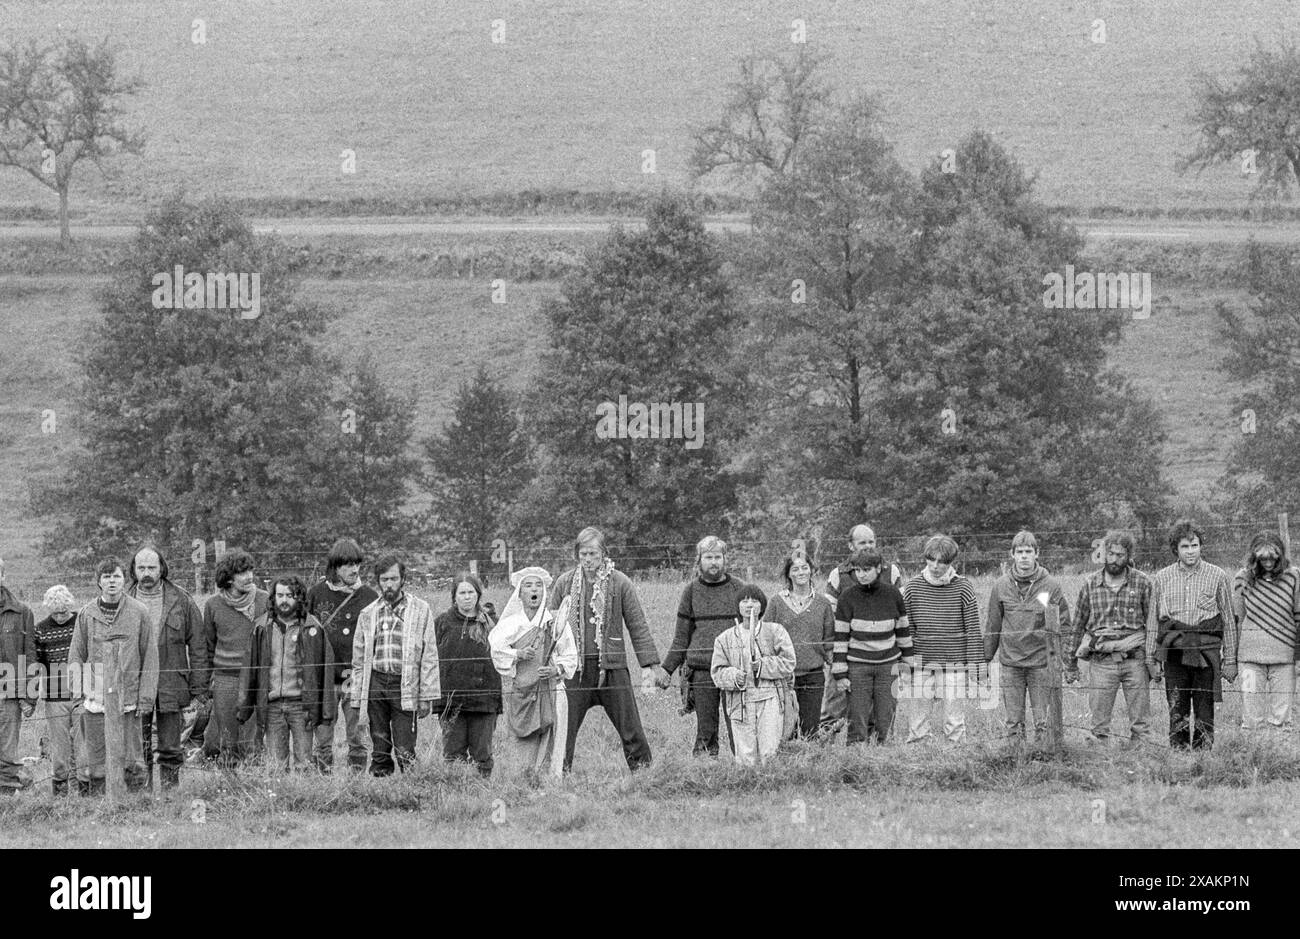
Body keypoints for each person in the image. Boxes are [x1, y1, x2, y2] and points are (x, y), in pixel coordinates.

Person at [550, 527, 661, 773]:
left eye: (593, 553)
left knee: (630, 726)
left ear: (603, 553)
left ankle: (645, 775)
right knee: (563, 729)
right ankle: (558, 778)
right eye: (583, 554)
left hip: (611, 668)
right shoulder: (564, 583)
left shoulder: (620, 582)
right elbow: (549, 625)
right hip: (574, 671)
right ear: (576, 555)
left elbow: (637, 625)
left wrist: (651, 665)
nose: (588, 559)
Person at [69, 557, 159, 794]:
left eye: (116, 576)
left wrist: (146, 697)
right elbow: (76, 656)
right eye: (106, 577)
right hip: (96, 699)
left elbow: (149, 656)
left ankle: (136, 804)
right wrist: (79, 696)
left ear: (124, 579)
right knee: (96, 759)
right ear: (98, 582)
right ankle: (100, 804)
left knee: (132, 758)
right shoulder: (86, 614)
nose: (111, 581)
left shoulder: (139, 612)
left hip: (128, 698)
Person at [654, 536, 745, 756]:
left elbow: (752, 630)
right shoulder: (691, 591)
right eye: (708, 557)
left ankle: (743, 769)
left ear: (725, 559)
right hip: (702, 670)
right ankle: (704, 771)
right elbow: (681, 638)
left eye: (717, 557)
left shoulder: (739, 588)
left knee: (739, 725)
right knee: (706, 729)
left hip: (735, 671)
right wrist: (666, 669)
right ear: (699, 561)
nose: (713, 562)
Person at [1066, 530, 1158, 745]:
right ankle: (1100, 762)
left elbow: (1153, 624)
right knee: (1099, 724)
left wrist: (1153, 659)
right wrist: (1070, 663)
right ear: (1103, 554)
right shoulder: (1090, 584)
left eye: (1120, 555)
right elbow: (1077, 625)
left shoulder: (1142, 583)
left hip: (1135, 659)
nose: (1115, 559)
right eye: (1111, 554)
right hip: (1101, 661)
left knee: (1141, 723)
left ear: (1128, 556)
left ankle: (1142, 761)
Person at [1152, 519, 1238, 750]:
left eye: (1194, 546)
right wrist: (1153, 659)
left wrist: (1230, 660)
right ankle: (1178, 753)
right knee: (1176, 706)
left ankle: (1202, 755)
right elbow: (1155, 621)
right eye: (1185, 547)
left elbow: (1229, 620)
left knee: (1204, 709)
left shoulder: (1217, 576)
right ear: (1175, 549)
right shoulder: (1162, 578)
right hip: (1175, 651)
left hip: (1205, 652)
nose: (1190, 552)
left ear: (1201, 546)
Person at [128, 545, 207, 790]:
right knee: (138, 746)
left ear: (162, 568)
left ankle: (171, 795)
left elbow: (198, 645)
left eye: (152, 567)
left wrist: (199, 687)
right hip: (135, 684)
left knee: (171, 746)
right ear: (133, 570)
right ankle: (141, 794)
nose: (147, 573)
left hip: (172, 683)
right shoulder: (123, 600)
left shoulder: (181, 599)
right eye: (141, 568)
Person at [351, 555, 438, 776]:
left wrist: (427, 695)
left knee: (405, 745)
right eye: (384, 579)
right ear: (378, 582)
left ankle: (410, 787)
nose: (389, 584)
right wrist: (357, 695)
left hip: (405, 682)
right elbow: (359, 659)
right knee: (379, 743)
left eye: (393, 578)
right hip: (376, 682)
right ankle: (381, 787)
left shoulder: (420, 610)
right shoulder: (369, 613)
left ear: (402, 579)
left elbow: (429, 655)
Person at [238, 576, 335, 773]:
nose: (284, 600)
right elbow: (250, 669)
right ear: (273, 597)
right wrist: (244, 706)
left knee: (304, 763)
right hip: (272, 706)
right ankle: (279, 801)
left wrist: (325, 711)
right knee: (276, 766)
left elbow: (325, 672)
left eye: (289, 595)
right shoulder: (261, 627)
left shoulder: (312, 628)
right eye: (280, 595)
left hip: (302, 706)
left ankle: (303, 801)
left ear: (299, 597)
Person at [984, 531, 1071, 745]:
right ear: (1012, 554)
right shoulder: (1001, 586)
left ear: (1037, 554)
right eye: (1020, 552)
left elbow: (1065, 625)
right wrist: (984, 660)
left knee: (1043, 721)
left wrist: (1067, 660)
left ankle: (1044, 759)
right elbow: (993, 626)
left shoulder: (1050, 585)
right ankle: (1015, 758)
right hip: (1011, 663)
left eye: (1028, 552)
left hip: (1041, 663)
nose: (1024, 556)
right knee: (1014, 721)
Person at [490, 567, 577, 780]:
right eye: (528, 585)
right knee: (521, 741)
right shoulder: (511, 624)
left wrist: (556, 669)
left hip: (552, 691)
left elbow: (570, 655)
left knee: (552, 741)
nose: (533, 590)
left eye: (538, 585)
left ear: (544, 592)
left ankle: (547, 788)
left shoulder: (554, 623)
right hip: (523, 694)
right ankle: (520, 784)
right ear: (520, 593)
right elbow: (496, 650)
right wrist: (518, 653)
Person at [900, 534, 984, 744]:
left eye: (942, 562)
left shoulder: (963, 587)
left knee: (954, 717)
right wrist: (905, 663)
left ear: (951, 563)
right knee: (918, 718)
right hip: (920, 662)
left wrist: (975, 664)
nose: (936, 566)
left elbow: (973, 629)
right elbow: (906, 630)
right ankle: (918, 754)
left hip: (954, 662)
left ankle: (956, 755)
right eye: (932, 560)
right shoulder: (912, 588)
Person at [821, 524, 903, 732]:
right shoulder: (838, 574)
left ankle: (877, 747)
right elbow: (830, 616)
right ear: (850, 545)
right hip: (848, 652)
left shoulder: (890, 571)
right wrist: (836, 655)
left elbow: (901, 612)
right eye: (862, 542)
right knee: (835, 706)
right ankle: (821, 746)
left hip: (884, 654)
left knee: (882, 707)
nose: (867, 546)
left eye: (871, 541)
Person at [306, 538, 377, 772]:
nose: (354, 569)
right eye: (347, 565)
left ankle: (357, 784)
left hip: (354, 676)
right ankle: (322, 782)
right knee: (323, 737)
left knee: (357, 736)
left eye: (357, 564)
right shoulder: (316, 594)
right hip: (324, 677)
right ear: (335, 566)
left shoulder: (369, 596)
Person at [832, 548, 912, 745]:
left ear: (879, 568)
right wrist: (840, 674)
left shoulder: (893, 594)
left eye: (866, 569)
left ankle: (885, 756)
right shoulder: (847, 597)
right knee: (857, 718)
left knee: (886, 716)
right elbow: (841, 638)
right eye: (857, 570)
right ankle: (856, 758)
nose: (861, 574)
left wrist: (909, 665)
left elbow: (903, 630)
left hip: (888, 666)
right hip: (858, 667)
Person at [711, 585, 796, 766]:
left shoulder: (775, 631)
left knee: (770, 749)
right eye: (744, 600)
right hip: (740, 703)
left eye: (755, 600)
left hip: (770, 699)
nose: (749, 605)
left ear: (762, 606)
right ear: (738, 606)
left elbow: (788, 661)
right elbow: (717, 672)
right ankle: (746, 785)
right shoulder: (724, 638)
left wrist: (763, 666)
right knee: (745, 753)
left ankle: (770, 786)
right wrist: (734, 676)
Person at [1230, 530, 1300, 733]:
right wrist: (1232, 658)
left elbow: (1299, 617)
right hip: (1250, 658)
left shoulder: (1294, 577)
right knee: (1252, 718)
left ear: (1280, 555)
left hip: (1284, 658)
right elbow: (1237, 621)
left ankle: (1280, 759)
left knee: (1282, 718)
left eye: (1272, 557)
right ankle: (1253, 758)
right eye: (1263, 558)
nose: (1268, 562)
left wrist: (1298, 657)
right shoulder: (1242, 579)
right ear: (1255, 557)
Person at [203, 549, 268, 766]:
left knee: (251, 739)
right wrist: (207, 681)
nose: (249, 576)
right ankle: (227, 784)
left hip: (255, 678)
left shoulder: (265, 600)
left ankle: (254, 783)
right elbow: (209, 645)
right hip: (225, 678)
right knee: (227, 738)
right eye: (242, 572)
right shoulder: (213, 605)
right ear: (229, 578)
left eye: (251, 570)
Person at [434, 572, 502, 777]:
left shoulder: (491, 623)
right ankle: (456, 791)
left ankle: (482, 789)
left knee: (482, 752)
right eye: (462, 592)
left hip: (484, 699)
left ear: (478, 594)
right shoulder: (442, 623)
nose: (466, 597)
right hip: (451, 700)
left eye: (470, 592)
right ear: (454, 596)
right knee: (453, 753)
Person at [769, 550, 835, 739]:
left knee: (809, 730)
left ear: (811, 570)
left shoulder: (822, 603)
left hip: (813, 674)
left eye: (804, 568)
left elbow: (829, 639)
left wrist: (837, 668)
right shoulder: (776, 602)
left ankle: (809, 764)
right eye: (795, 569)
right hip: (783, 676)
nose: (800, 572)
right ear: (788, 573)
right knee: (785, 730)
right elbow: (766, 636)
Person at [34, 585, 81, 795]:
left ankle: (86, 789)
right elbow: (37, 662)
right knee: (60, 749)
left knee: (84, 746)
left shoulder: (81, 622)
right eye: (56, 613)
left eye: (64, 612)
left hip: (83, 692)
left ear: (70, 606)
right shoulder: (41, 629)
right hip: (55, 696)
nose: (61, 617)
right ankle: (61, 793)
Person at [0, 556, 37, 795]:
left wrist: (30, 695)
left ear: (3, 576)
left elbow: (30, 654)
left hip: (8, 691)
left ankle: (5, 796)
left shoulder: (21, 612)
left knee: (6, 748)